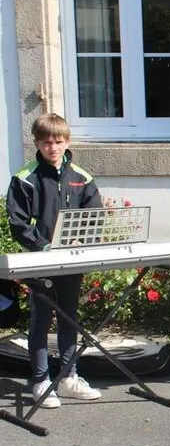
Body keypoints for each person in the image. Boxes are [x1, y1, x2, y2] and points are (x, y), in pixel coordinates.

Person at [6, 113, 104, 408]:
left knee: (68, 318)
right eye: (46, 142)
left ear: (67, 142)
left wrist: (82, 239)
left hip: (71, 261)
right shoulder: (25, 178)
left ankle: (69, 377)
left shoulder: (82, 178)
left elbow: (94, 217)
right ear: (36, 143)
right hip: (40, 261)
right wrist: (42, 245)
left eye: (58, 141)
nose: (52, 147)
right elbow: (18, 222)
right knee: (40, 319)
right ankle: (40, 380)